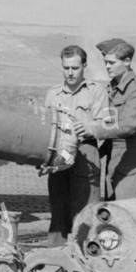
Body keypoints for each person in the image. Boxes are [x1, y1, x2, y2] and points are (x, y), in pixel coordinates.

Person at [42, 45, 109, 245]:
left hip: (86, 152)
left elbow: (106, 124)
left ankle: (88, 252)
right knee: (58, 205)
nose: (70, 73)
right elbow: (45, 127)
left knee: (87, 207)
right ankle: (56, 253)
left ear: (84, 66)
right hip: (58, 154)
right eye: (66, 68)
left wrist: (89, 128)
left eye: (75, 68)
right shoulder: (53, 94)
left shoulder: (96, 91)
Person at [75, 38, 136, 200]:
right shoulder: (112, 87)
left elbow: (128, 126)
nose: (107, 67)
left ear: (127, 61)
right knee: (112, 207)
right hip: (113, 154)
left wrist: (93, 129)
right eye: (106, 62)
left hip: (131, 157)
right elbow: (111, 123)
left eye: (112, 63)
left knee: (127, 208)